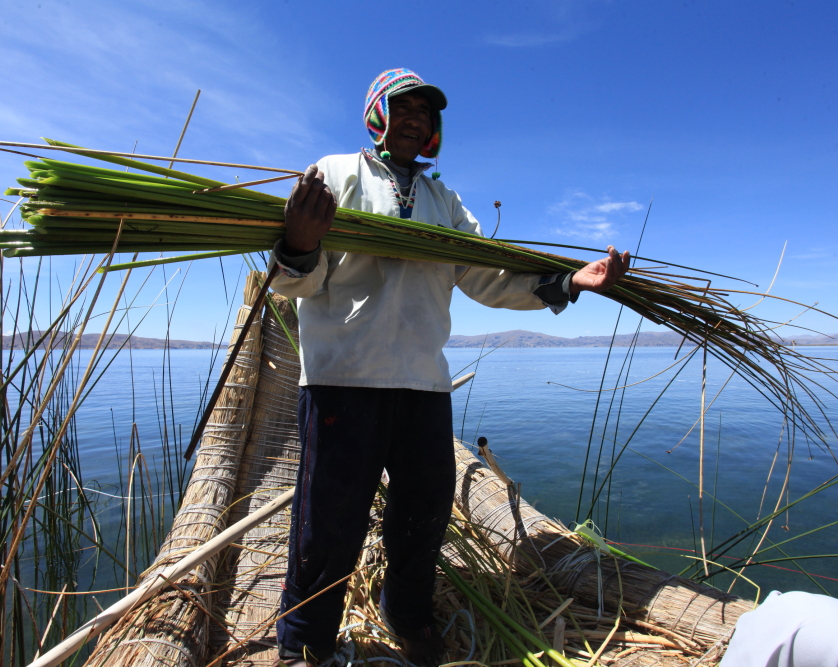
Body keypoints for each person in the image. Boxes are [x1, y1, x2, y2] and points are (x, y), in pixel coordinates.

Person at [270, 68, 630, 667]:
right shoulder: (334, 174)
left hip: (422, 384)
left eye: (426, 113)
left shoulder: (446, 203)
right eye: (404, 108)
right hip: (344, 380)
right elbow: (294, 285)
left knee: (425, 513)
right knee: (328, 522)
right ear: (378, 114)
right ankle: (305, 638)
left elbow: (487, 275)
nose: (416, 119)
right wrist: (301, 244)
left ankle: (409, 615)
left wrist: (570, 281)